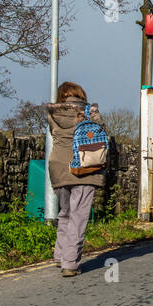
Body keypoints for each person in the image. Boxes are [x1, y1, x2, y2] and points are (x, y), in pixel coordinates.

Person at [45, 81, 106, 276]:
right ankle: (70, 263)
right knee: (78, 216)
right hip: (84, 165)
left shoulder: (52, 113)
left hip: (58, 166)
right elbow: (100, 133)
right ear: (81, 94)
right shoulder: (89, 111)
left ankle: (60, 255)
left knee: (65, 213)